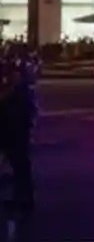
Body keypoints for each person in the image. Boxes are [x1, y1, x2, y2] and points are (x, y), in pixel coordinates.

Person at [0, 58, 37, 221]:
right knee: (19, 163)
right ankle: (22, 197)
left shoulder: (17, 87)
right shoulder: (18, 85)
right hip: (12, 126)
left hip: (13, 126)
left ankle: (23, 198)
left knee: (19, 163)